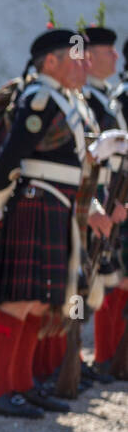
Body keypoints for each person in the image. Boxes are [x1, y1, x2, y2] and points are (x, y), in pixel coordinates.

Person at [0, 24, 117, 418]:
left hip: (55, 204)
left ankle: (23, 386)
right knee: (19, 300)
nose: (85, 64)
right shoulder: (40, 99)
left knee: (39, 302)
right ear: (52, 62)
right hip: (33, 203)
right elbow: (11, 157)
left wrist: (88, 204)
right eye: (77, 58)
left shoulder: (64, 99)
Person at [81, 19, 128, 377]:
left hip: (110, 197)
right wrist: (96, 203)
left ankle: (107, 358)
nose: (115, 55)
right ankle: (93, 357)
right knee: (83, 282)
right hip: (93, 198)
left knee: (107, 276)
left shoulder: (99, 97)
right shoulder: (87, 98)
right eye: (106, 50)